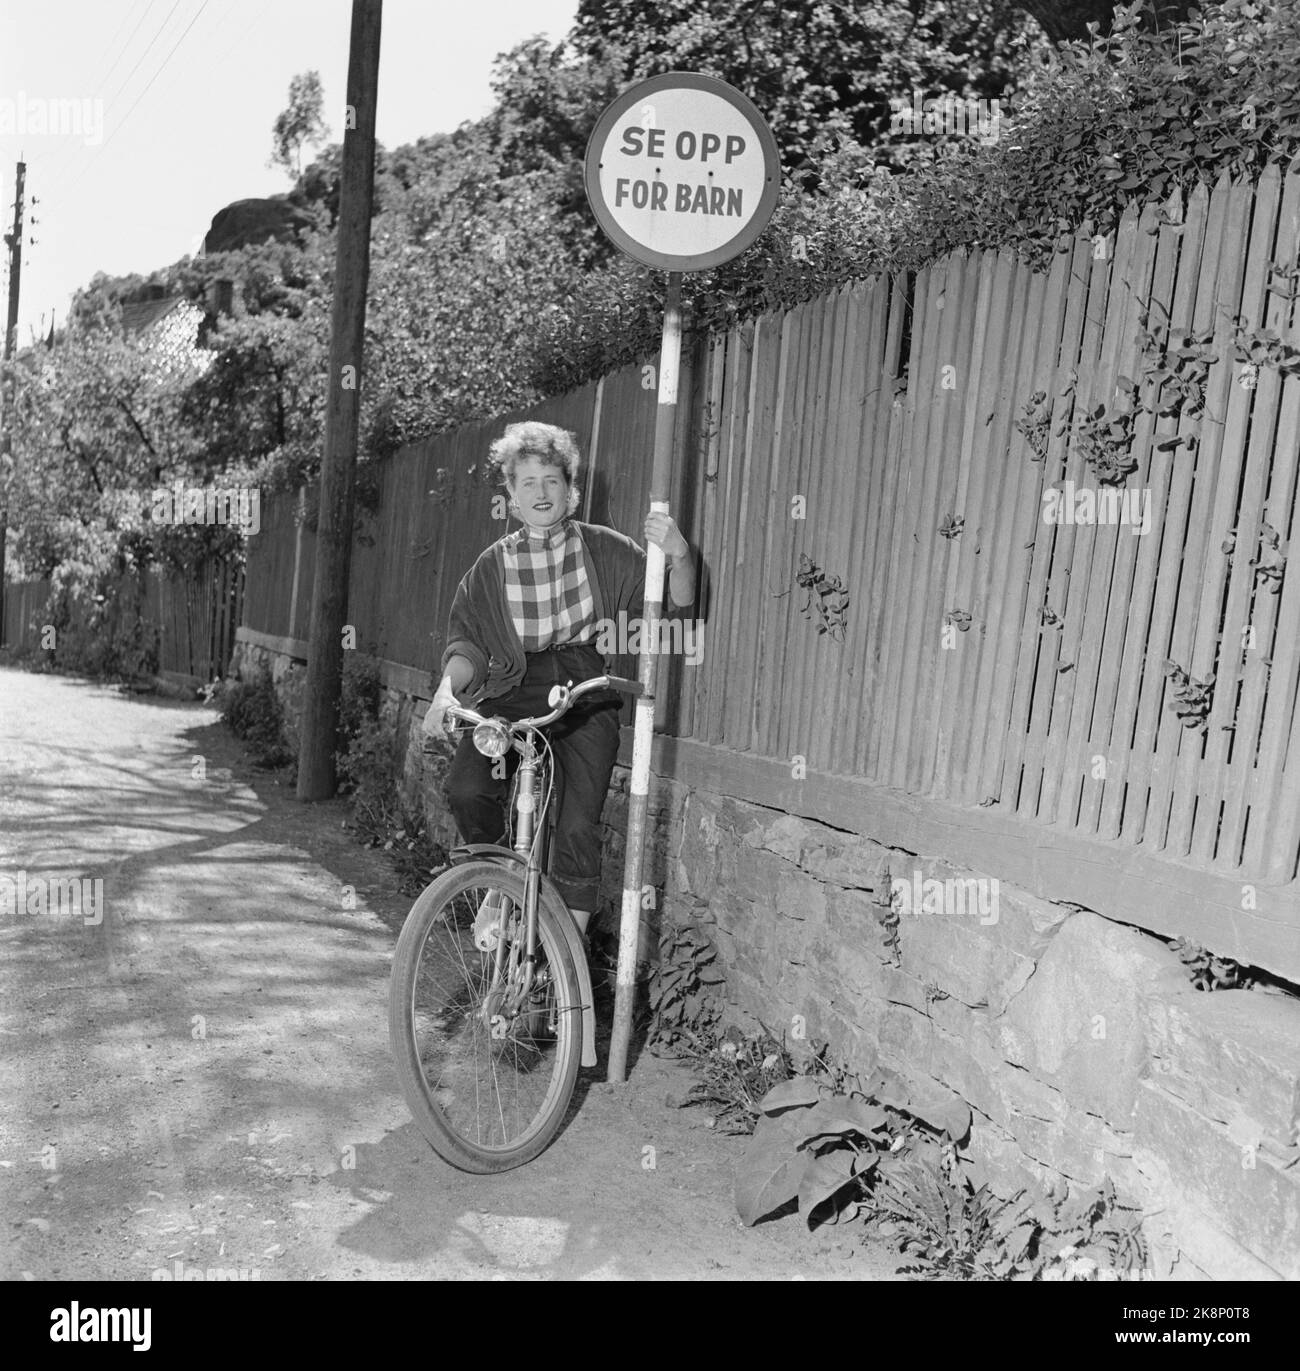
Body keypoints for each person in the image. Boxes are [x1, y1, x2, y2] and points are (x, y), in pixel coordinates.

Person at [421, 420, 696, 937]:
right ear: (512, 495)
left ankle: (563, 953)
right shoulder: (491, 567)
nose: (541, 492)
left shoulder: (604, 550)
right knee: (469, 789)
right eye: (528, 482)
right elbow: (468, 647)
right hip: (510, 690)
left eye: (551, 480)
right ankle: (499, 883)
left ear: (570, 490)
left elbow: (676, 606)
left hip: (582, 689)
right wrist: (444, 692)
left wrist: (678, 552)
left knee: (575, 825)